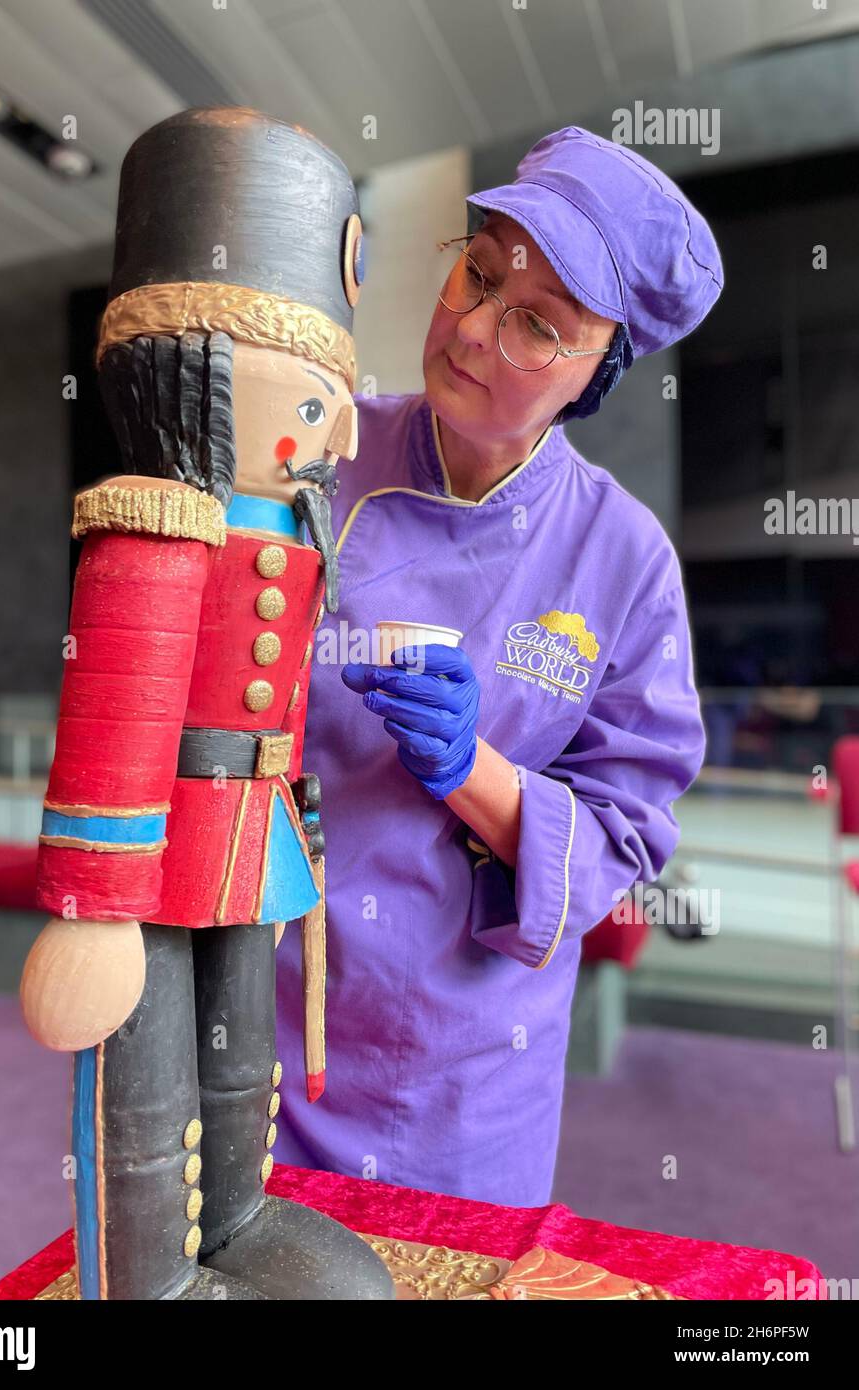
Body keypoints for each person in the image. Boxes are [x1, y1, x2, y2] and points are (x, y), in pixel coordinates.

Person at [273, 125, 724, 1207]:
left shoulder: (622, 560)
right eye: (478, 272)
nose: (474, 329)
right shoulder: (320, 464)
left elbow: (625, 834)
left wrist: (472, 770)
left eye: (536, 324)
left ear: (594, 375)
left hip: (464, 1075)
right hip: (265, 1034)